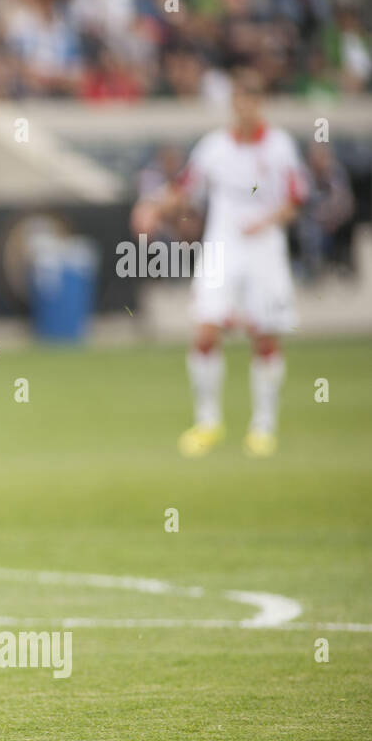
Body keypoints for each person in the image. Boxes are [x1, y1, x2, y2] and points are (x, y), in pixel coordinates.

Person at [151, 67, 308, 458]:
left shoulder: (280, 147)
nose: (243, 109)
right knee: (205, 330)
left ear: (260, 104)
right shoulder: (213, 147)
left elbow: (296, 200)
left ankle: (263, 426)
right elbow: (186, 189)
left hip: (265, 249)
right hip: (222, 248)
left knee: (265, 335)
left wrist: (266, 221)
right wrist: (153, 208)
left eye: (250, 101)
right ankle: (208, 422)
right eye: (238, 101)